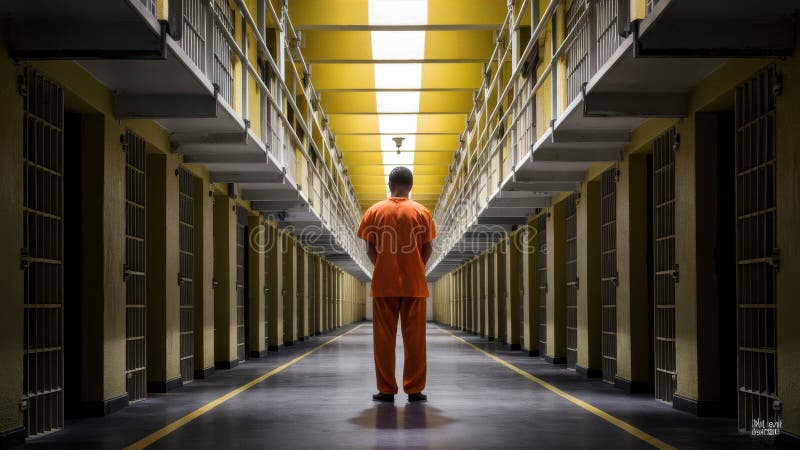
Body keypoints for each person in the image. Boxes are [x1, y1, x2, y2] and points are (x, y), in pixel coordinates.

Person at [357, 166, 436, 403]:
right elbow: (428, 247)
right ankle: (414, 389)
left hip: (384, 284)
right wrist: (415, 266)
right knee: (415, 341)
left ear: (389, 185)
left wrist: (382, 264)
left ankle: (386, 389)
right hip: (414, 285)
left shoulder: (374, 212)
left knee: (383, 340)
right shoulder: (422, 212)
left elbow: (369, 247)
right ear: (410, 186)